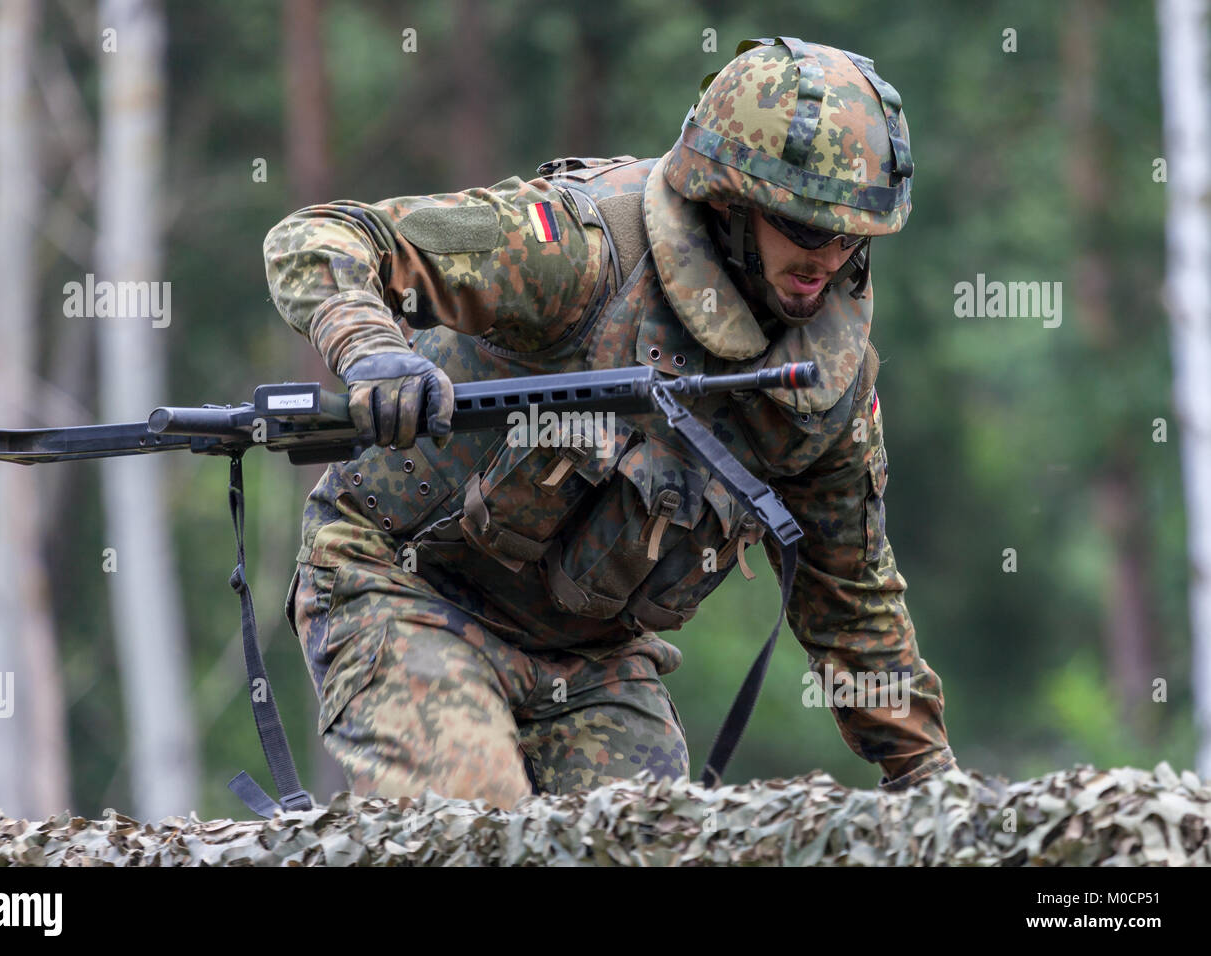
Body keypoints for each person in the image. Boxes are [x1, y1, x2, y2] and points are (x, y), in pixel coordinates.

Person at [262, 36, 957, 809]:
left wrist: (934, 788)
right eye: (804, 228)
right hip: (406, 588)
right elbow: (325, 236)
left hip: (593, 662)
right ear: (730, 202)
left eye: (853, 235)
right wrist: (369, 350)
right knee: (476, 825)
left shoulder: (823, 386)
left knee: (651, 843)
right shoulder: (572, 251)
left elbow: (852, 604)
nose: (828, 260)